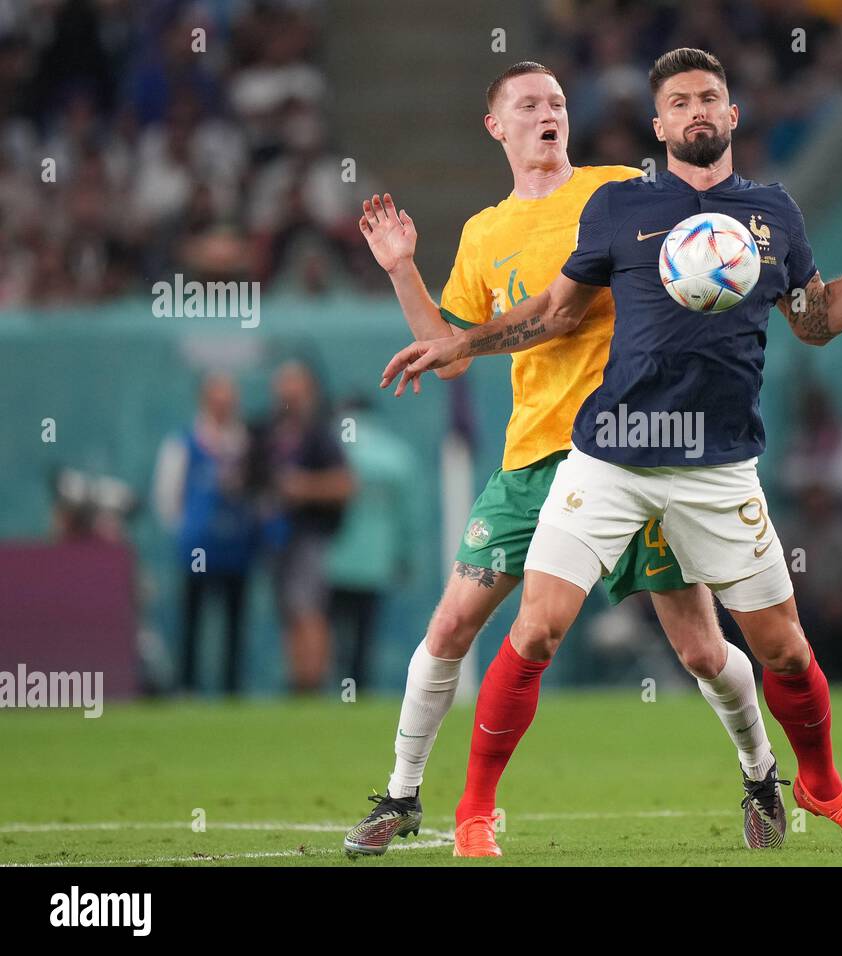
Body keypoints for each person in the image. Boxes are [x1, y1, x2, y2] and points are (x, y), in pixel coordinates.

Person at [383, 47, 842, 855]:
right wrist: (457, 344)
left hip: (717, 464)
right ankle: (473, 811)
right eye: (680, 101)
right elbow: (554, 315)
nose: (697, 110)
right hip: (610, 455)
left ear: (732, 115)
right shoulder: (621, 207)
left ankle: (822, 787)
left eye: (711, 98)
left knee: (781, 651)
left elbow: (815, 319)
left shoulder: (773, 213)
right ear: (657, 126)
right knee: (536, 631)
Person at [344, 61, 784, 858]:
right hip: (534, 461)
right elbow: (450, 353)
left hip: (637, 454)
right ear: (497, 127)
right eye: (528, 105)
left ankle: (760, 775)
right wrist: (401, 267)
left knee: (698, 649)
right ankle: (403, 795)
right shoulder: (484, 233)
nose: (548, 113)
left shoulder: (620, 192)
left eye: (555, 102)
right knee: (451, 625)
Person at [152, 373, 257, 694]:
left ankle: (232, 688)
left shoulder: (246, 442)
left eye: (228, 401)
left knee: (235, 621)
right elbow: (167, 494)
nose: (223, 407)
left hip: (237, 547)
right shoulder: (184, 441)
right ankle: (187, 685)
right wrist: (186, 530)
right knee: (192, 617)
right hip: (199, 547)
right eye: (217, 400)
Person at [253, 361, 354, 693]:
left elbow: (344, 485)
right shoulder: (268, 434)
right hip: (278, 537)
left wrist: (303, 487)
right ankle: (297, 682)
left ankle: (313, 683)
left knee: (309, 610)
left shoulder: (320, 435)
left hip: (310, 537)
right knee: (289, 612)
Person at [326, 396, 422, 691]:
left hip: (331, 557)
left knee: (330, 630)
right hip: (376, 559)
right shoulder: (396, 454)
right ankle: (359, 687)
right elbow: (409, 514)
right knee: (364, 632)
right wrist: (405, 556)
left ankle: (333, 687)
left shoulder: (332, 447)